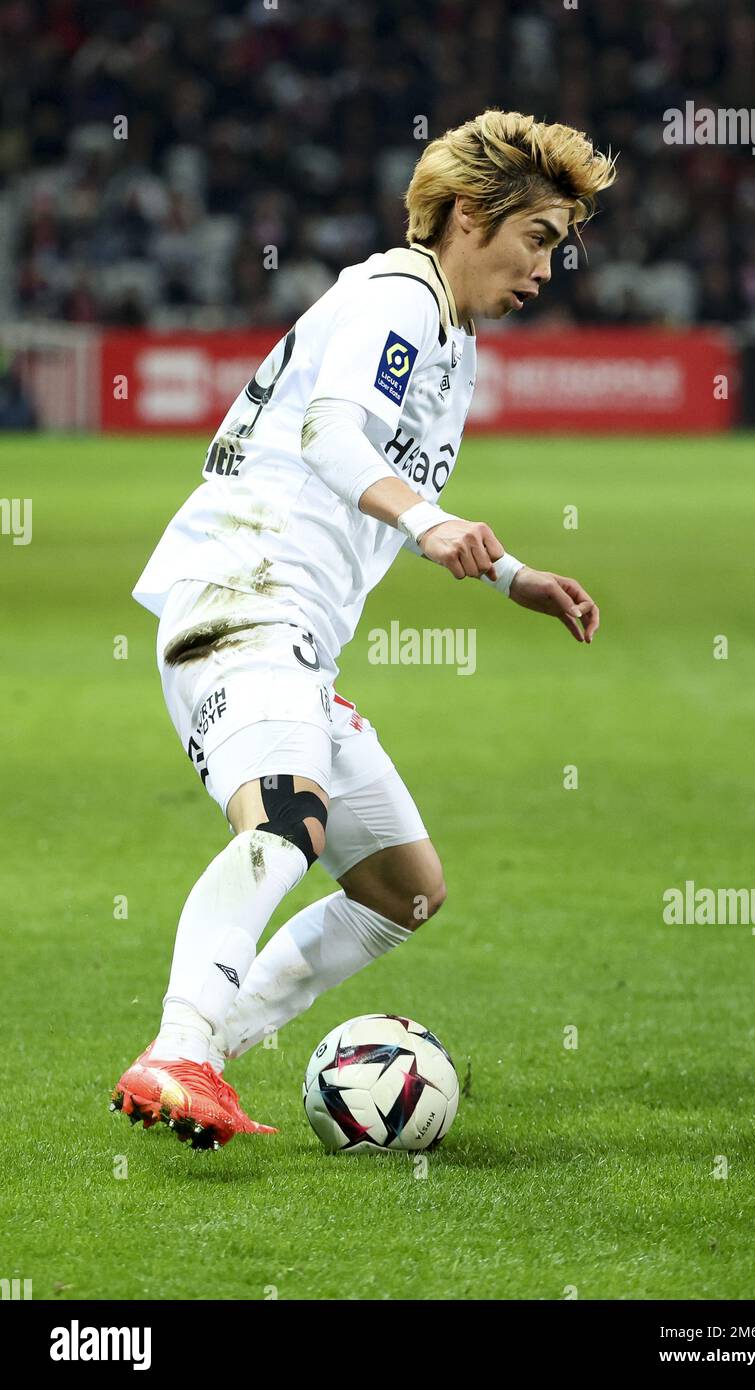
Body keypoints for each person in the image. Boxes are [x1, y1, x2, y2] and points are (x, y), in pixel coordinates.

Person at [111, 109, 616, 1149]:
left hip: (291, 625)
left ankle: (211, 1052)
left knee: (402, 890)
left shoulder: (444, 335)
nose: (545, 271)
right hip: (247, 598)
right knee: (286, 818)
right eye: (537, 240)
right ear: (470, 217)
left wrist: (510, 573)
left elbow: (384, 470)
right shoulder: (395, 297)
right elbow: (329, 432)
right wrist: (430, 525)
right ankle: (177, 1047)